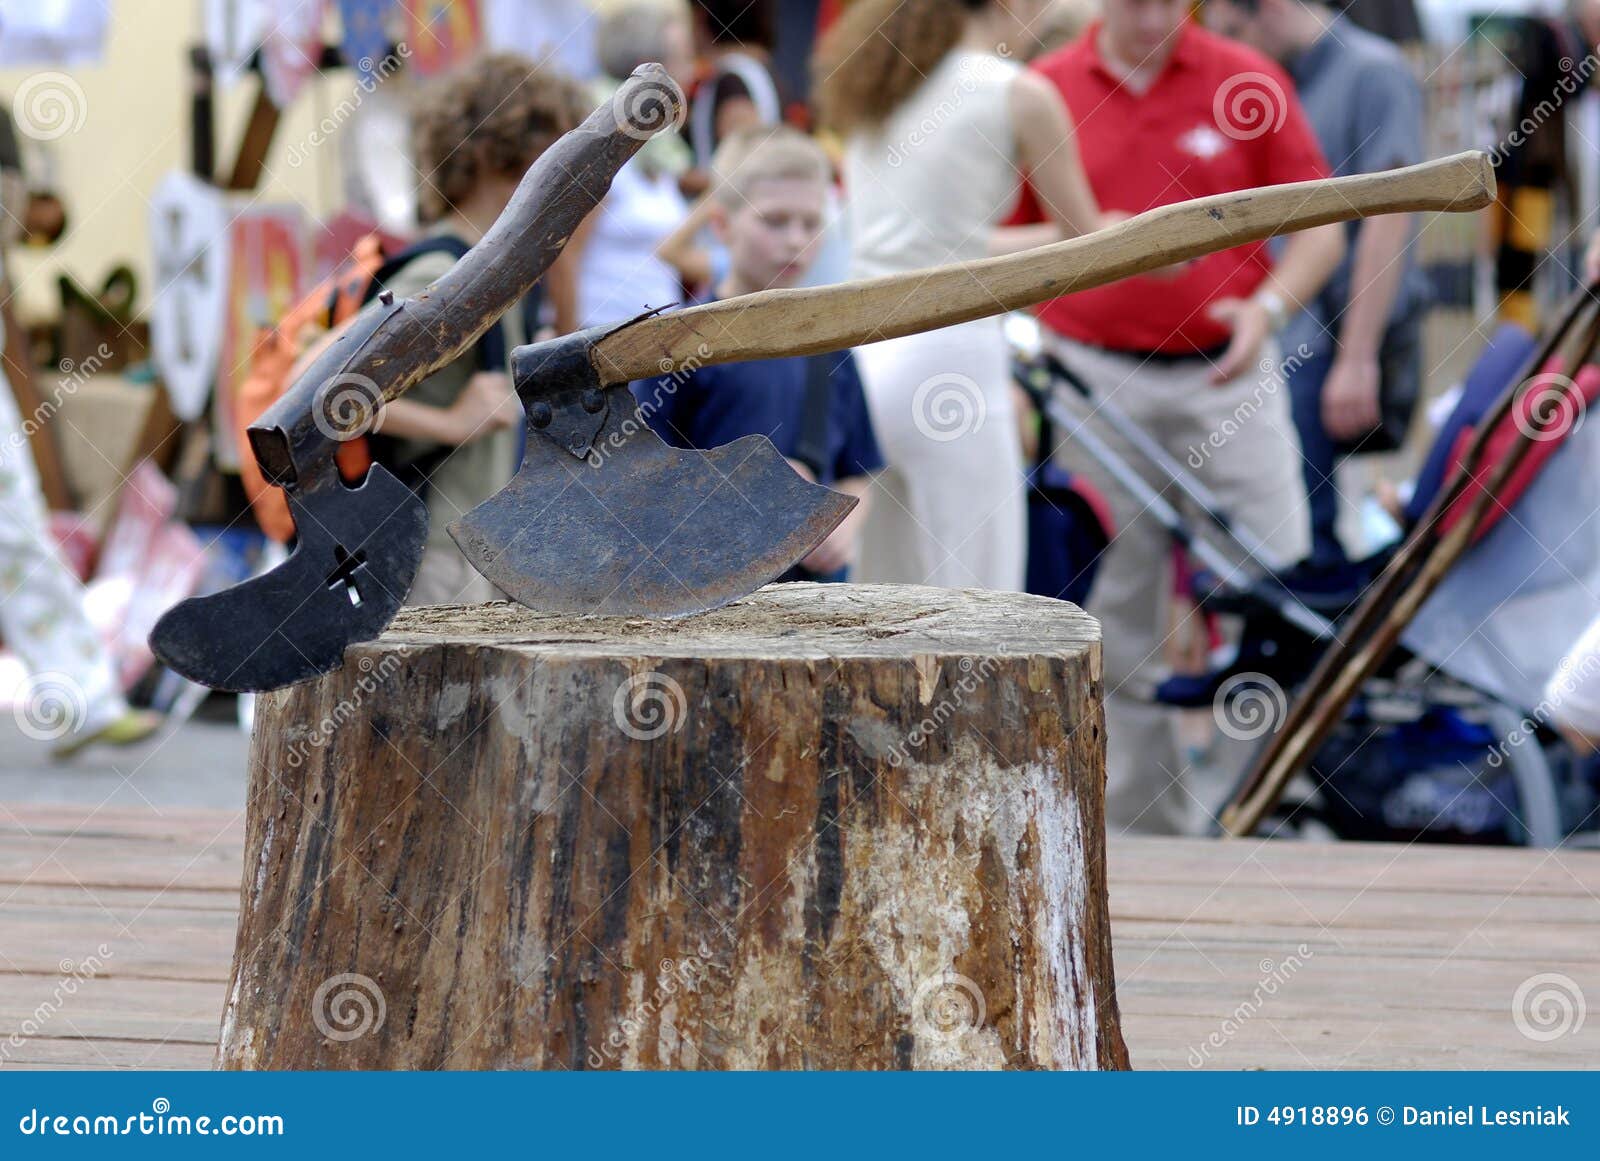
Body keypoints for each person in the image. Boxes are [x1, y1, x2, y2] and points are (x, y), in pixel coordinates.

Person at [1021, 0, 1344, 835]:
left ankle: (1250, 812)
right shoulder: (1046, 89)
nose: (1150, 15)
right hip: (1093, 375)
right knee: (1108, 607)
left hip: (1226, 374)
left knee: (1272, 585)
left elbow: (1320, 227)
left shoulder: (1245, 78)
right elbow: (1001, 238)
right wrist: (1095, 246)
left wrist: (1267, 311)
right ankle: (1137, 829)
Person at [814, 0, 1102, 593]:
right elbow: (1084, 244)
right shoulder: (1019, 91)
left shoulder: (881, 83)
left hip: (864, 353)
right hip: (953, 360)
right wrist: (1129, 231)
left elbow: (936, 244)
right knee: (981, 591)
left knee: (880, 593)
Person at [1204, 0, 1429, 570]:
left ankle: (1312, 650)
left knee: (1306, 539)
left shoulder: (1373, 74)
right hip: (1287, 336)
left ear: (1272, 10)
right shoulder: (1275, 83)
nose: (1231, 52)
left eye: (1234, 32)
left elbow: (1389, 216)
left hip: (1328, 344)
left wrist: (1356, 360)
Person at [371, 54, 589, 605]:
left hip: (474, 545)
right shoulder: (442, 274)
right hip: (435, 556)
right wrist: (449, 422)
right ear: (501, 155)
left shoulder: (495, 270)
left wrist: (562, 260)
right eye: (558, 164)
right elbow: (324, 398)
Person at [631, 126, 882, 580]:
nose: (795, 240)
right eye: (774, 221)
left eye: (811, 223)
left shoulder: (830, 341)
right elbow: (640, 475)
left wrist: (845, 526)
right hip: (708, 589)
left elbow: (858, 470)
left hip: (814, 598)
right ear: (722, 226)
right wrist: (739, 484)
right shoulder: (680, 340)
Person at [571, 4, 696, 329]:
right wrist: (562, 343)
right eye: (680, 59)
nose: (690, 71)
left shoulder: (660, 148)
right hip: (600, 337)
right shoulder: (605, 149)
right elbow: (565, 256)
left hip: (655, 342)